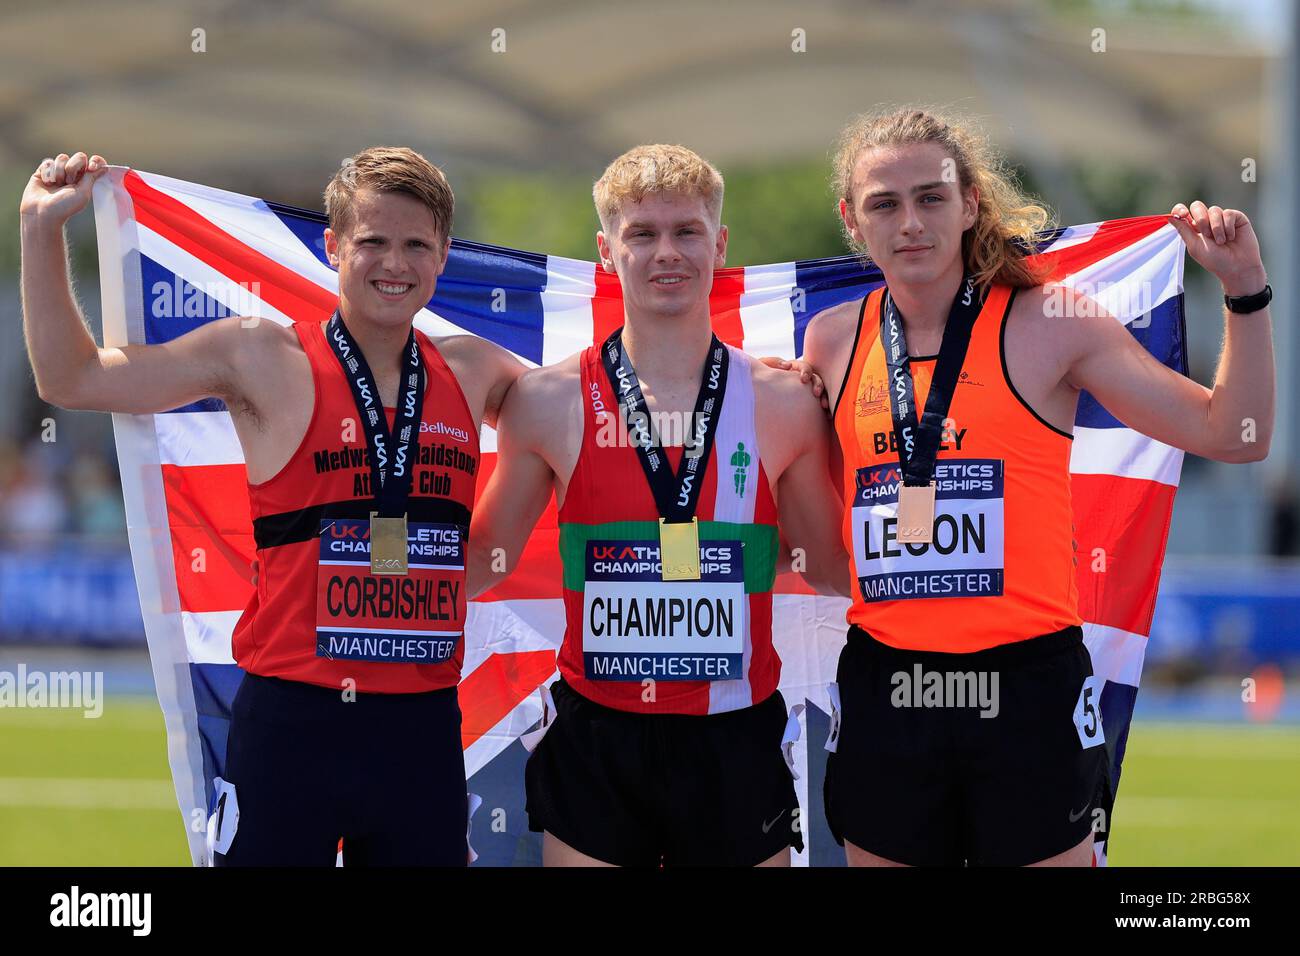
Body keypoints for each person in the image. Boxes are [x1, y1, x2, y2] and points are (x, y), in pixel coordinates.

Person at [21, 146, 525, 865]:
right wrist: (41, 231)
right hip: (293, 723)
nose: (395, 263)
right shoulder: (261, 357)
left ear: (443, 253)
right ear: (333, 245)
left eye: (416, 244)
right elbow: (72, 379)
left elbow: (602, 402)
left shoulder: (477, 371)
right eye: (373, 241)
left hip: (420, 731)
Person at [802, 106, 1274, 867]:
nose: (911, 222)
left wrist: (1245, 292)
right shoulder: (828, 340)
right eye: (884, 204)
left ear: (970, 204)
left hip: (1025, 687)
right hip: (888, 684)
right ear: (853, 223)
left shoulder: (1052, 321)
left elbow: (1235, 436)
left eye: (931, 197)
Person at [467, 144, 848, 867]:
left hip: (734, 736)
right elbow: (486, 562)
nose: (666, 252)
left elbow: (828, 567)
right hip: (598, 738)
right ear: (606, 251)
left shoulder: (782, 403)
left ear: (720, 244)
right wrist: (363, 563)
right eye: (642, 234)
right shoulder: (547, 403)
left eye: (686, 231)